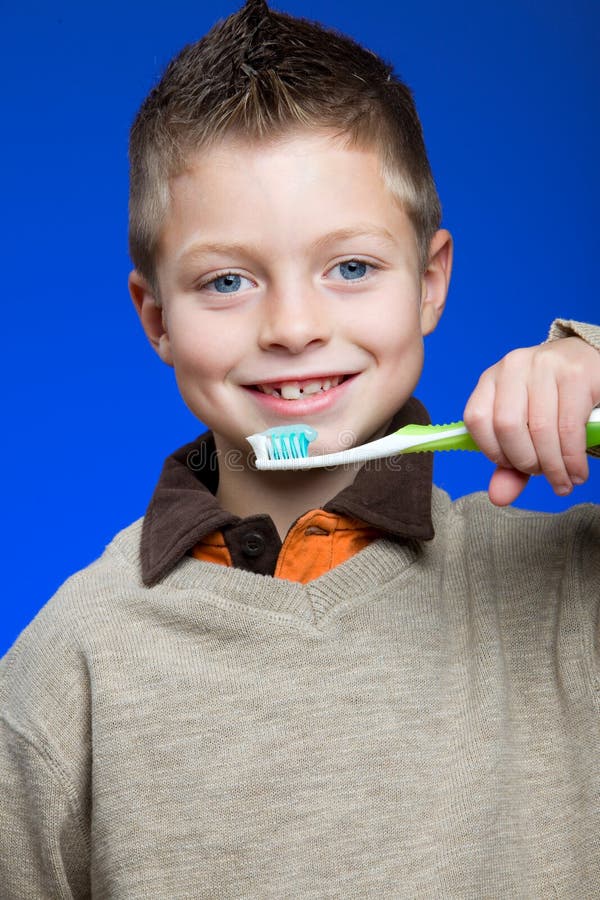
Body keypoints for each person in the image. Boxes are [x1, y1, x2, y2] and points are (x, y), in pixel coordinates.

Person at [1, 1, 598, 896]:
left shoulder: (566, 596)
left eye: (350, 267)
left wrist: (592, 356)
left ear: (429, 283)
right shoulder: (69, 669)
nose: (292, 327)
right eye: (228, 281)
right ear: (157, 319)